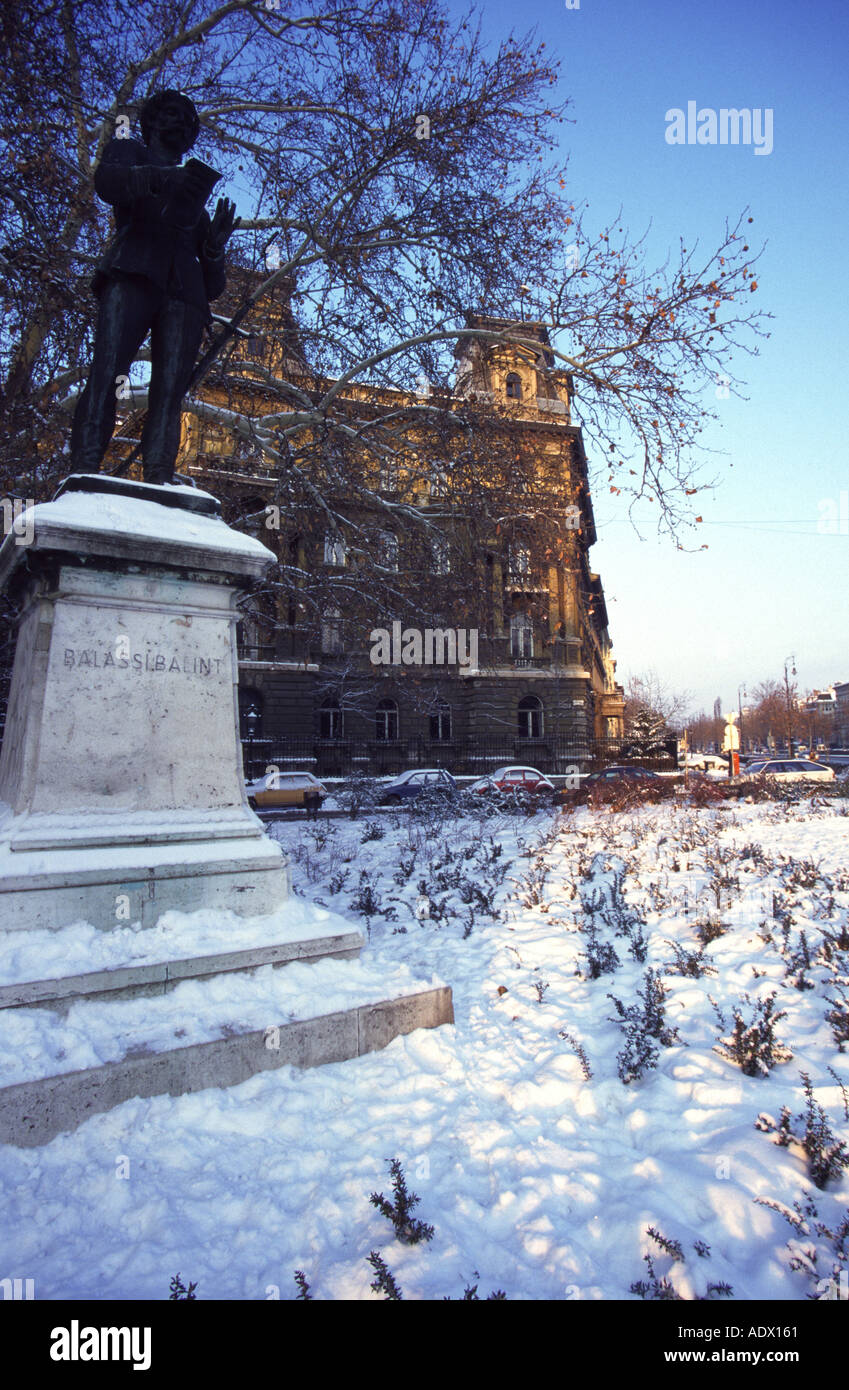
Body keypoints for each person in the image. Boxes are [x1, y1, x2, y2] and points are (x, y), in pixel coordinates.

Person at [70, 91, 238, 484]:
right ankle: (84, 470)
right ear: (153, 121)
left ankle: (160, 476)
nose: (180, 123)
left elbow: (213, 286)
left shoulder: (194, 208)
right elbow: (109, 183)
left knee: (170, 393)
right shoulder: (129, 152)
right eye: (172, 114)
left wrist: (213, 247)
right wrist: (165, 178)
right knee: (109, 372)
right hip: (133, 271)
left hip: (184, 295)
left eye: (187, 120)